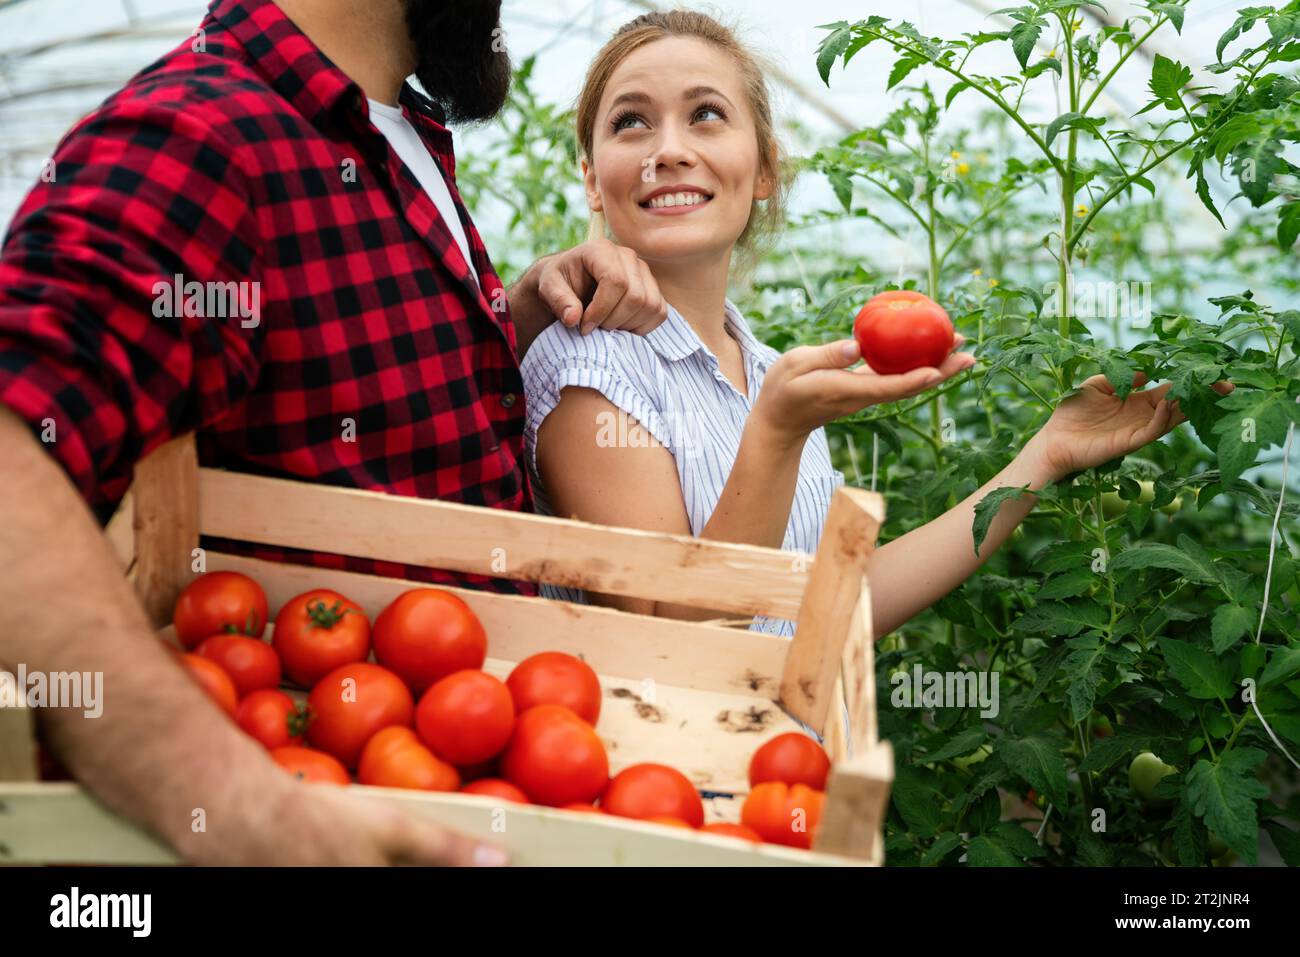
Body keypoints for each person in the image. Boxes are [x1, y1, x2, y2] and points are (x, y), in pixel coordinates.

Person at [0, 0, 668, 865]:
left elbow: (352, 394)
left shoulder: (383, 125)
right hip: (350, 800)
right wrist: (236, 801)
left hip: (457, 769)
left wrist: (522, 309)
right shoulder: (199, 137)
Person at [521, 10, 1232, 636]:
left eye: (706, 113)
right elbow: (676, 637)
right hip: (686, 787)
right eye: (630, 121)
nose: (667, 148)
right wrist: (777, 432)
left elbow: (831, 606)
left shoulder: (766, 368)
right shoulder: (592, 371)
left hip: (802, 779)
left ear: (765, 168)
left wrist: (1041, 458)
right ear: (591, 176)